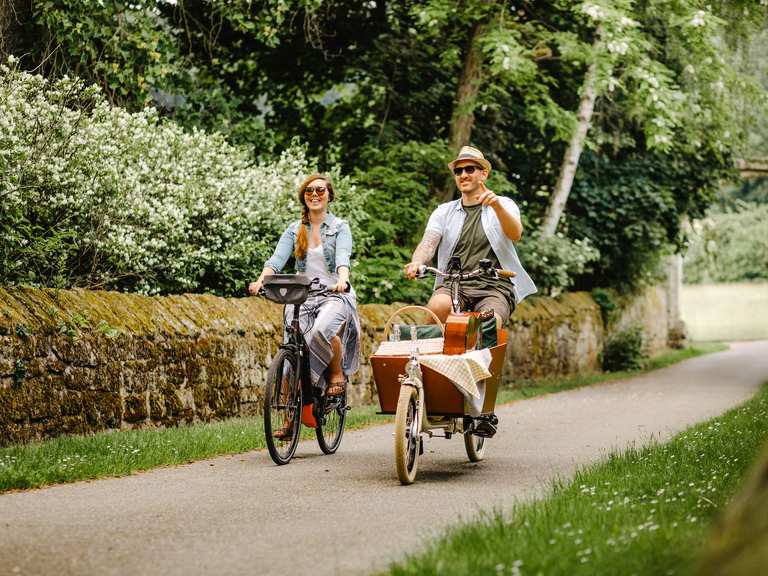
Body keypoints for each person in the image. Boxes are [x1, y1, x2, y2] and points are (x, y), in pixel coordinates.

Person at [249, 174, 360, 433]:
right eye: (309, 190)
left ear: (329, 195)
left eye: (320, 190)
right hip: (302, 294)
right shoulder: (294, 229)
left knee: (322, 329)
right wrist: (260, 282)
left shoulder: (340, 227)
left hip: (334, 292)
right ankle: (290, 419)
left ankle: (335, 374)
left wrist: (342, 279)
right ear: (303, 196)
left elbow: (343, 257)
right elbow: (276, 260)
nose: (314, 194)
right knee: (292, 353)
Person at [404, 145, 536, 327]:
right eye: (458, 171)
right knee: (437, 307)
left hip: (494, 286)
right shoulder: (443, 212)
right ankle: (431, 355)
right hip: (454, 284)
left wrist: (497, 207)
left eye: (469, 169)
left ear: (484, 174)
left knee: (488, 323)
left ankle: (485, 356)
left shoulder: (504, 204)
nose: (463, 175)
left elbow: (515, 234)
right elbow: (428, 244)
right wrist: (417, 262)